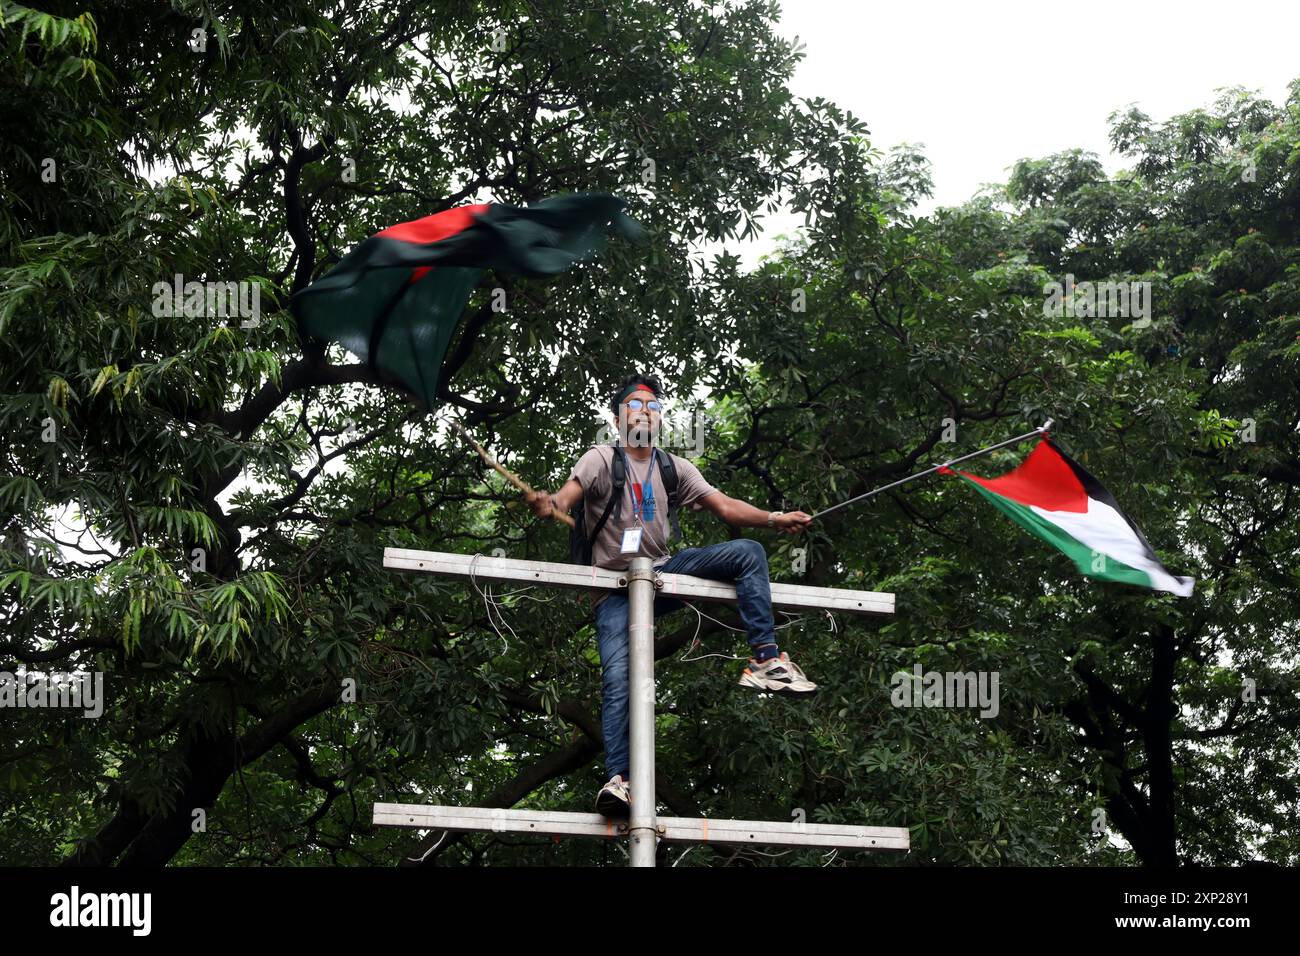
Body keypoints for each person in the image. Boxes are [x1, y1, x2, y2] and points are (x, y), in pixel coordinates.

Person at [526, 373, 815, 819]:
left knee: (747, 553)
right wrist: (552, 504)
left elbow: (725, 507)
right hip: (613, 590)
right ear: (619, 416)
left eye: (653, 406)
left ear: (660, 418)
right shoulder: (601, 459)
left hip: (662, 575)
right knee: (619, 681)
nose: (645, 411)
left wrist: (775, 518)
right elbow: (567, 497)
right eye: (635, 404)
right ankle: (619, 781)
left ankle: (764, 659)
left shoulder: (673, 467)